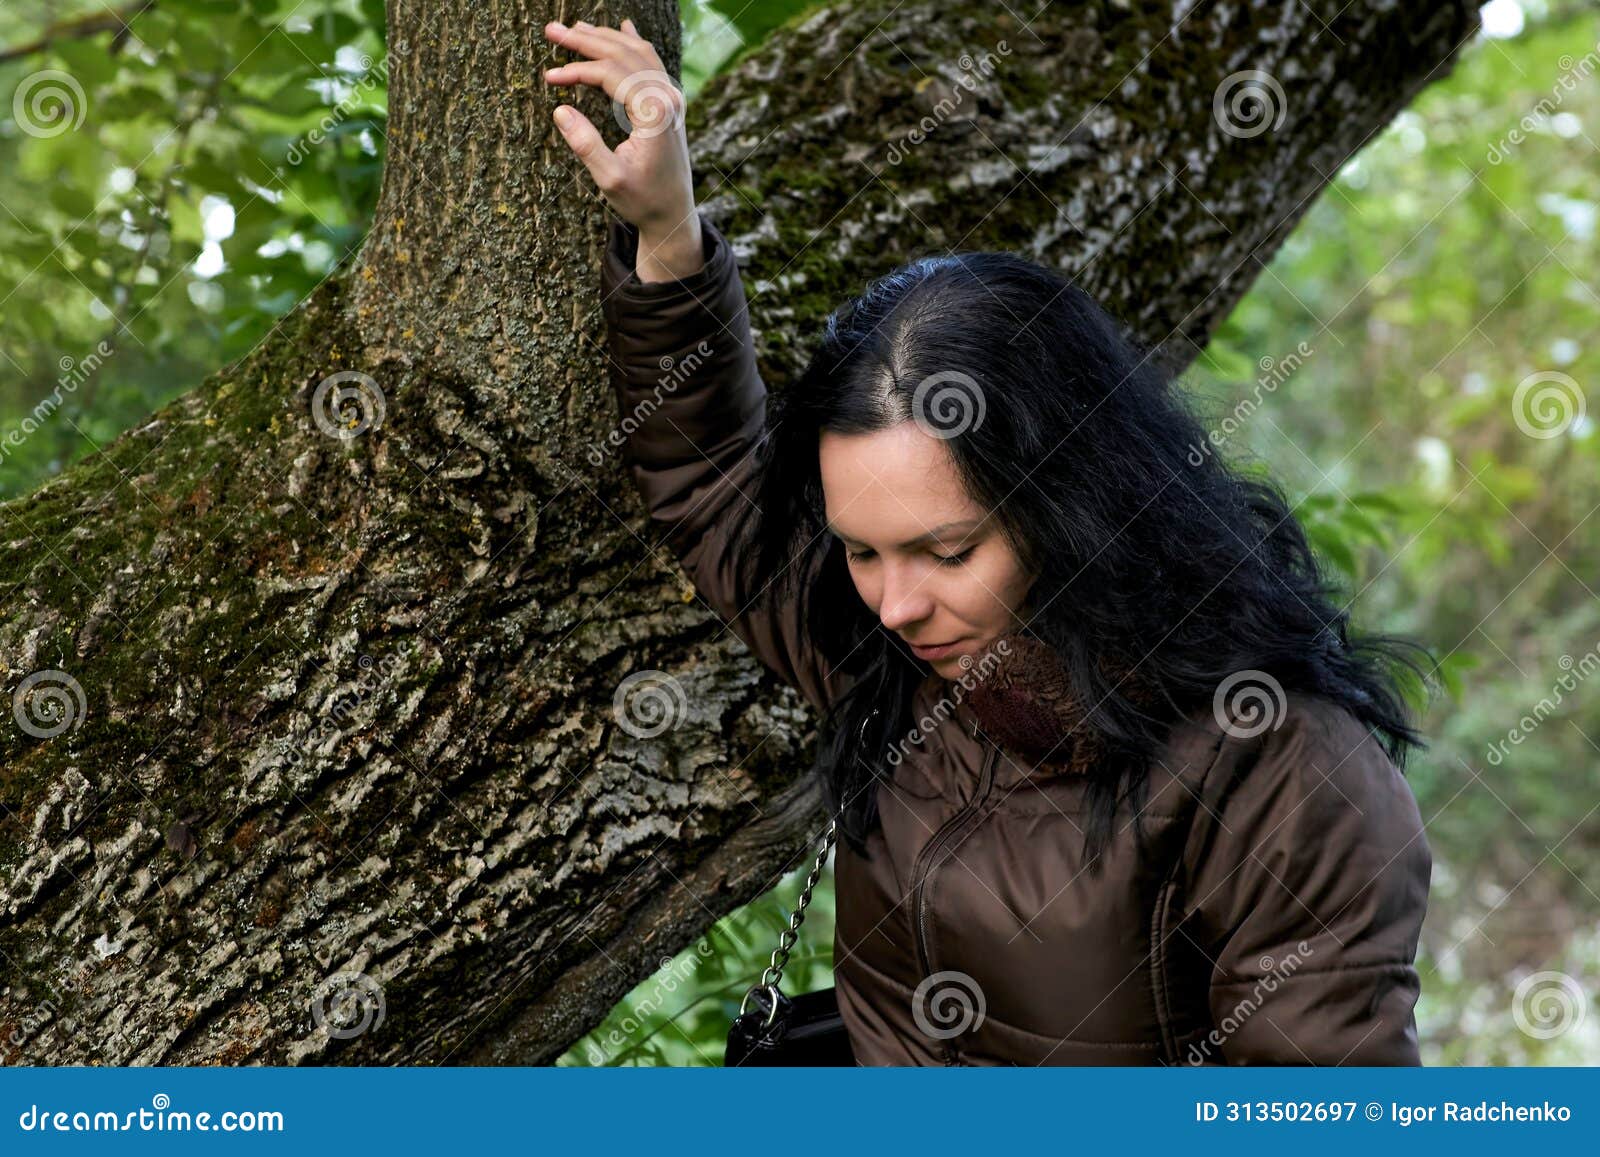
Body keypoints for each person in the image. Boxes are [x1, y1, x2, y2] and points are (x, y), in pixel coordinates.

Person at [543, 17, 1435, 1066]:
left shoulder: (1281, 775)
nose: (894, 601)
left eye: (947, 550)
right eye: (861, 551)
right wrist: (668, 233)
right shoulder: (883, 654)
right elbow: (709, 482)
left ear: (1075, 507)